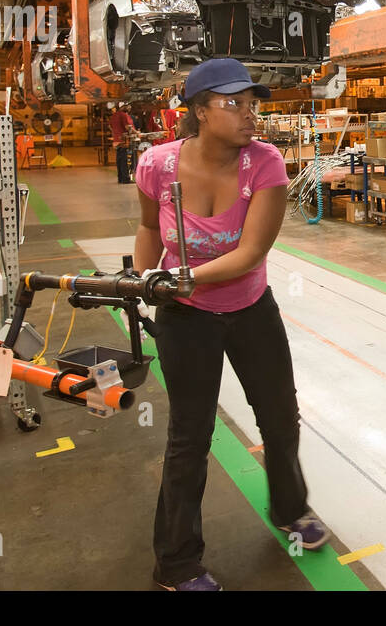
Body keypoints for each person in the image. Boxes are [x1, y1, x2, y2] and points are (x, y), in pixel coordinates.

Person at [132, 57, 328, 592]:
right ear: (199, 110)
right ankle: (176, 564)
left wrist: (175, 277)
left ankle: (291, 508)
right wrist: (144, 280)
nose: (250, 114)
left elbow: (249, 253)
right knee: (189, 437)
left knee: (280, 417)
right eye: (234, 103)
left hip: (249, 308)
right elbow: (149, 229)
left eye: (252, 103)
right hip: (184, 317)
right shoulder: (156, 165)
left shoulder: (264, 163)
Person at [110, 103, 137, 183]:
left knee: (119, 159)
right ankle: (125, 179)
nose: (129, 107)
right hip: (123, 141)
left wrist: (115, 133)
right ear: (123, 106)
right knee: (124, 160)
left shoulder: (114, 115)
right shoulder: (123, 115)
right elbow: (127, 127)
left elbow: (110, 126)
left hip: (116, 141)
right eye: (128, 106)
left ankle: (120, 178)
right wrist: (136, 133)